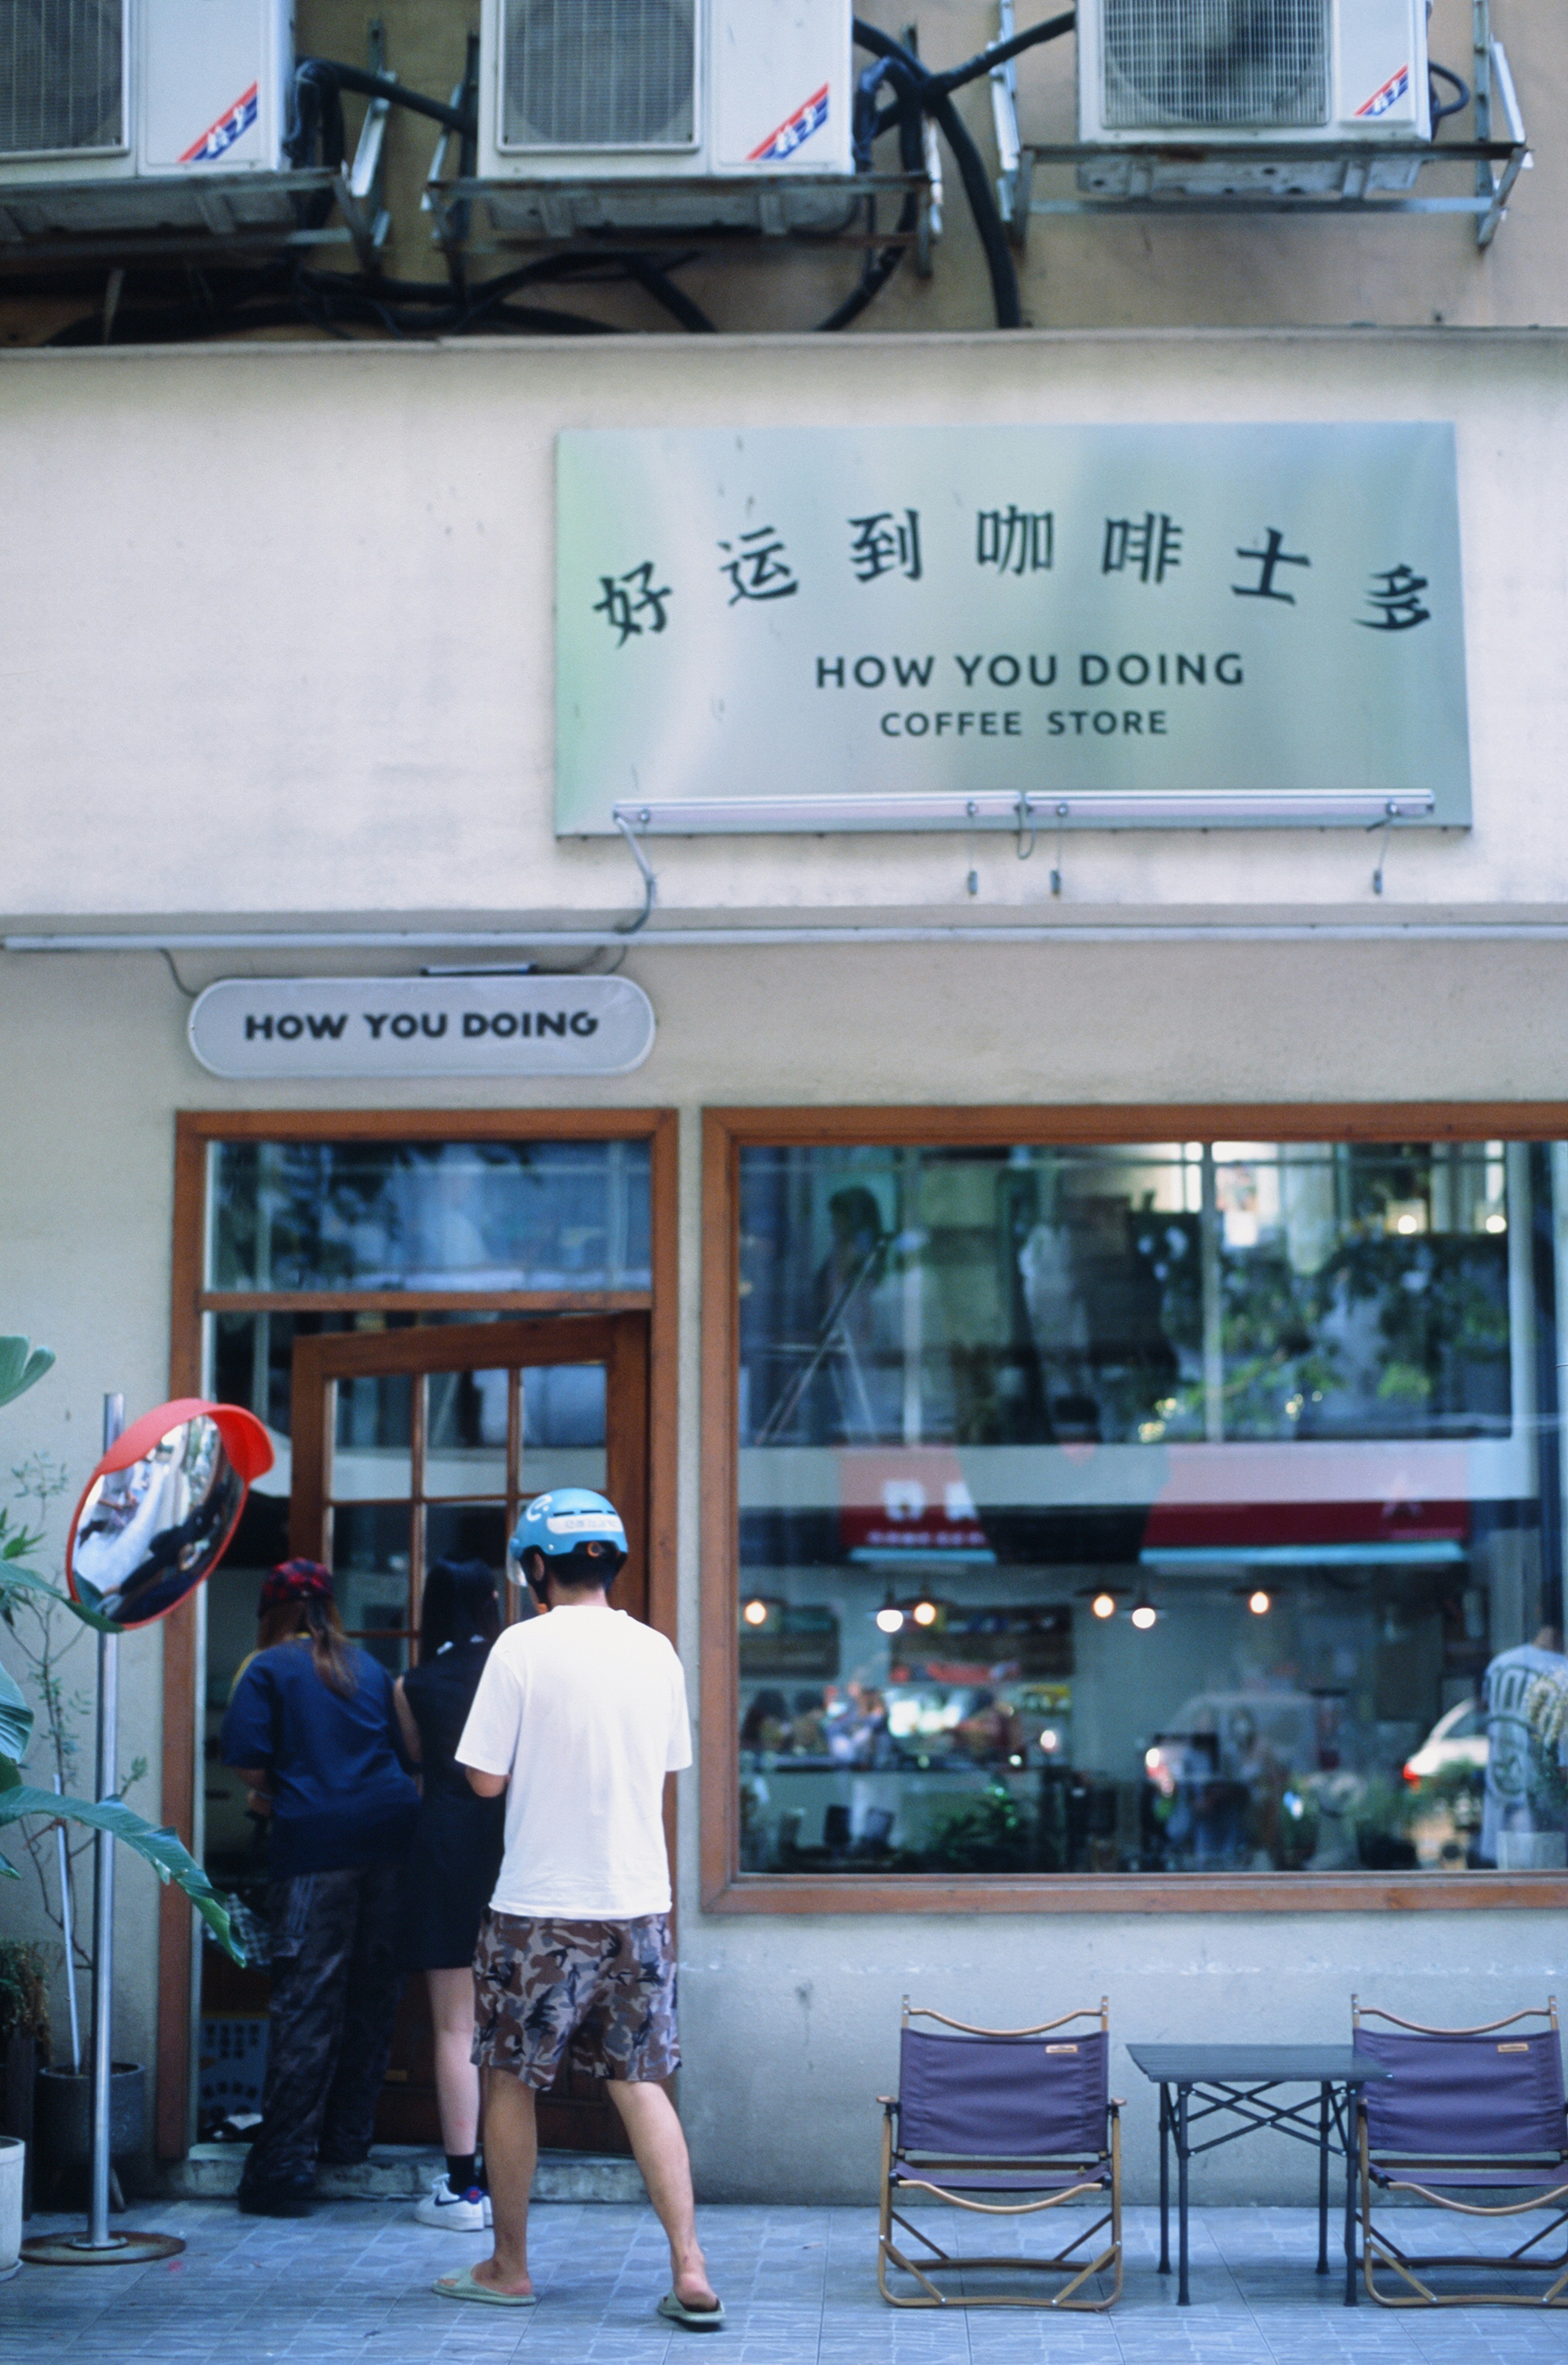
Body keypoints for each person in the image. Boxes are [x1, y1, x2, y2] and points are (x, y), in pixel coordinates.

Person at [434, 1488, 721, 2328]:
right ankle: (691, 2268)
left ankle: (509, 2267)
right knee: (641, 2083)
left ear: (534, 1568)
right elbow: (668, 1765)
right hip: (639, 1904)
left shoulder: (520, 1649)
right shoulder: (657, 1651)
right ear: (612, 1563)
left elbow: (484, 1780)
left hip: (538, 1909)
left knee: (512, 2084)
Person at [220, 1558, 419, 2217]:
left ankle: (283, 2167)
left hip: (315, 1852)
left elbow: (247, 1760)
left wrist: (291, 1789)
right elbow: (406, 1752)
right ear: (331, 1609)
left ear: (273, 1613)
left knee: (307, 1998)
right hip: (391, 1842)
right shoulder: (370, 1669)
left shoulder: (267, 1667)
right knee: (371, 1992)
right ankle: (346, 2141)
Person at [393, 1557, 507, 2231]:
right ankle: (507, 2170)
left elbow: (414, 1758)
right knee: (503, 2028)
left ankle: (464, 2187)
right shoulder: (512, 1667)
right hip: (514, 1854)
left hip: (442, 1851)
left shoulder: (412, 1682)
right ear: (493, 1601)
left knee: (453, 2026)